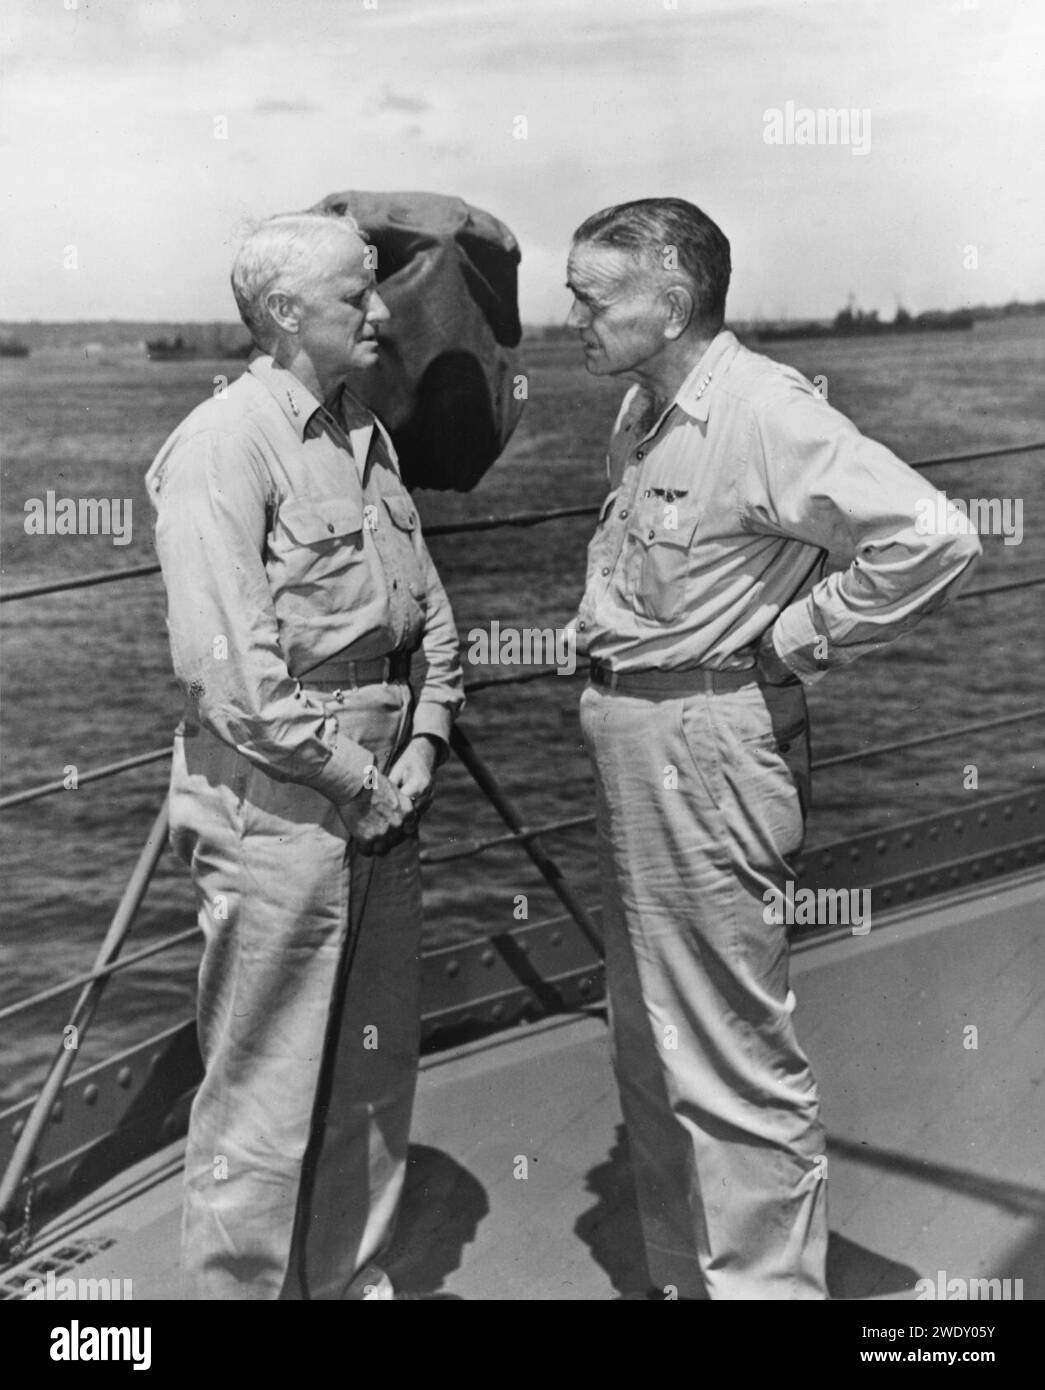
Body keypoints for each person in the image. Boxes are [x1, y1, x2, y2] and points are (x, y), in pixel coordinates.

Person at [565, 197, 982, 1300]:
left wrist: (797, 636)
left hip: (703, 744)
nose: (570, 316)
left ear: (671, 298)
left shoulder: (758, 410)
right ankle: (679, 1280)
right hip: (635, 739)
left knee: (727, 1049)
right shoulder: (645, 413)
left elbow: (932, 534)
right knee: (650, 1040)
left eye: (591, 295)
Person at [146, 211, 464, 1300]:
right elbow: (231, 673)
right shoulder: (225, 445)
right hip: (282, 807)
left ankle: (348, 1283)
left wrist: (421, 742)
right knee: (266, 1090)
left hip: (381, 794)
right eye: (353, 300)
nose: (380, 314)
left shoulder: (359, 432)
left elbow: (431, 619)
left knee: (372, 1073)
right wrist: (361, 781)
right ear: (286, 315)